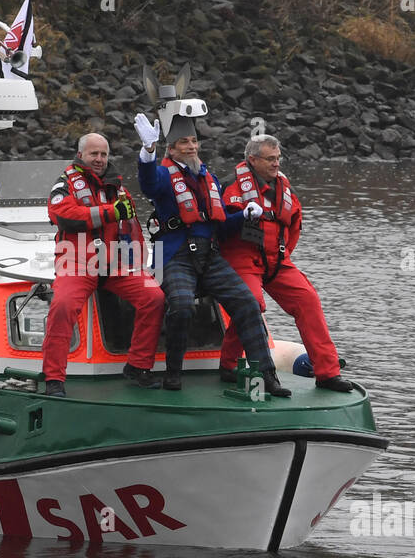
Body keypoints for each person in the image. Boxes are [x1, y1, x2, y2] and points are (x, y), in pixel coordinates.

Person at [135, 110, 291, 396]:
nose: (192, 146)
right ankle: (173, 372)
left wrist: (244, 215)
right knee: (181, 305)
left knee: (248, 303)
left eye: (194, 140)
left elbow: (218, 224)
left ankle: (268, 376)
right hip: (175, 256)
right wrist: (148, 150)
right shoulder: (162, 174)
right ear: (171, 149)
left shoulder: (209, 177)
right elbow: (147, 182)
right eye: (184, 142)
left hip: (210, 257)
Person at [218, 135, 356, 392]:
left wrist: (282, 255)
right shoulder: (230, 187)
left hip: (277, 260)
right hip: (243, 259)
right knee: (251, 303)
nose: (276, 164)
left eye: (278, 158)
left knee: (308, 300)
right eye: (270, 159)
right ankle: (228, 365)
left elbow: (294, 226)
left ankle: (327, 373)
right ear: (253, 160)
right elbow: (219, 226)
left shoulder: (284, 187)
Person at [41, 132, 165, 397]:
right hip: (77, 263)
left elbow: (131, 228)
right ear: (80, 155)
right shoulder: (65, 183)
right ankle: (53, 378)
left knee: (154, 297)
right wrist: (110, 212)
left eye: (103, 154)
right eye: (93, 154)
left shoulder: (119, 187)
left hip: (117, 265)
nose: (99, 159)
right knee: (62, 307)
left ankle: (138, 365)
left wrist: (140, 263)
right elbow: (63, 215)